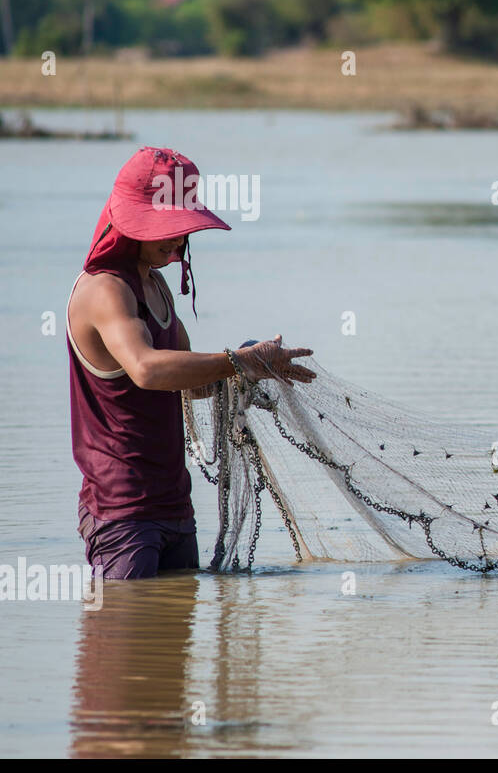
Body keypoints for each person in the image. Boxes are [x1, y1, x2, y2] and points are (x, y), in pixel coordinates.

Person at [67, 146, 315, 579]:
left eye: (183, 228)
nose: (179, 240)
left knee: (172, 643)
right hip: (123, 514)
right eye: (167, 226)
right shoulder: (105, 290)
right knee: (128, 640)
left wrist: (249, 371)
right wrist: (237, 361)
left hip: (175, 508)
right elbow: (146, 369)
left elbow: (187, 383)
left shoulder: (156, 285)